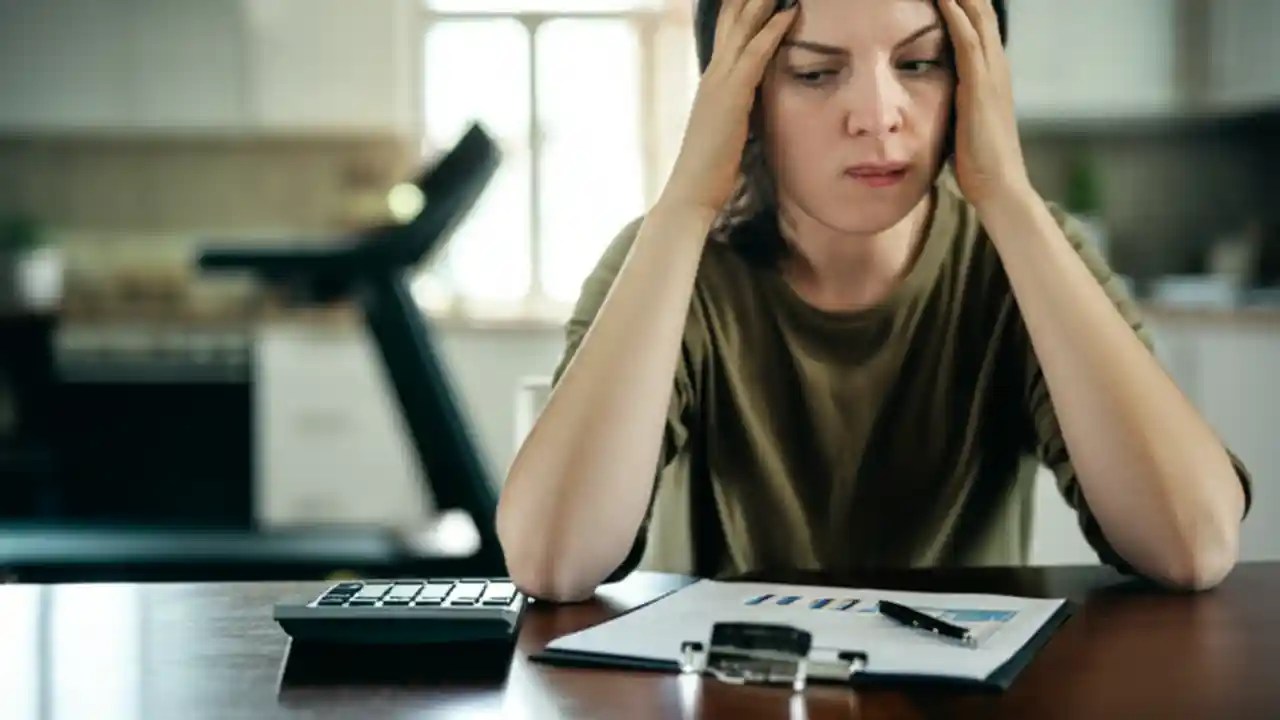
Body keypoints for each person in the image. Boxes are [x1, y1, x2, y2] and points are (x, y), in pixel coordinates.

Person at [496, 0, 1252, 602]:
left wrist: (1011, 199)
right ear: (742, 97)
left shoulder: (1028, 256)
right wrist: (687, 203)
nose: (879, 113)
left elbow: (1193, 546)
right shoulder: (667, 260)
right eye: (817, 73)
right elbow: (553, 561)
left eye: (921, 63)